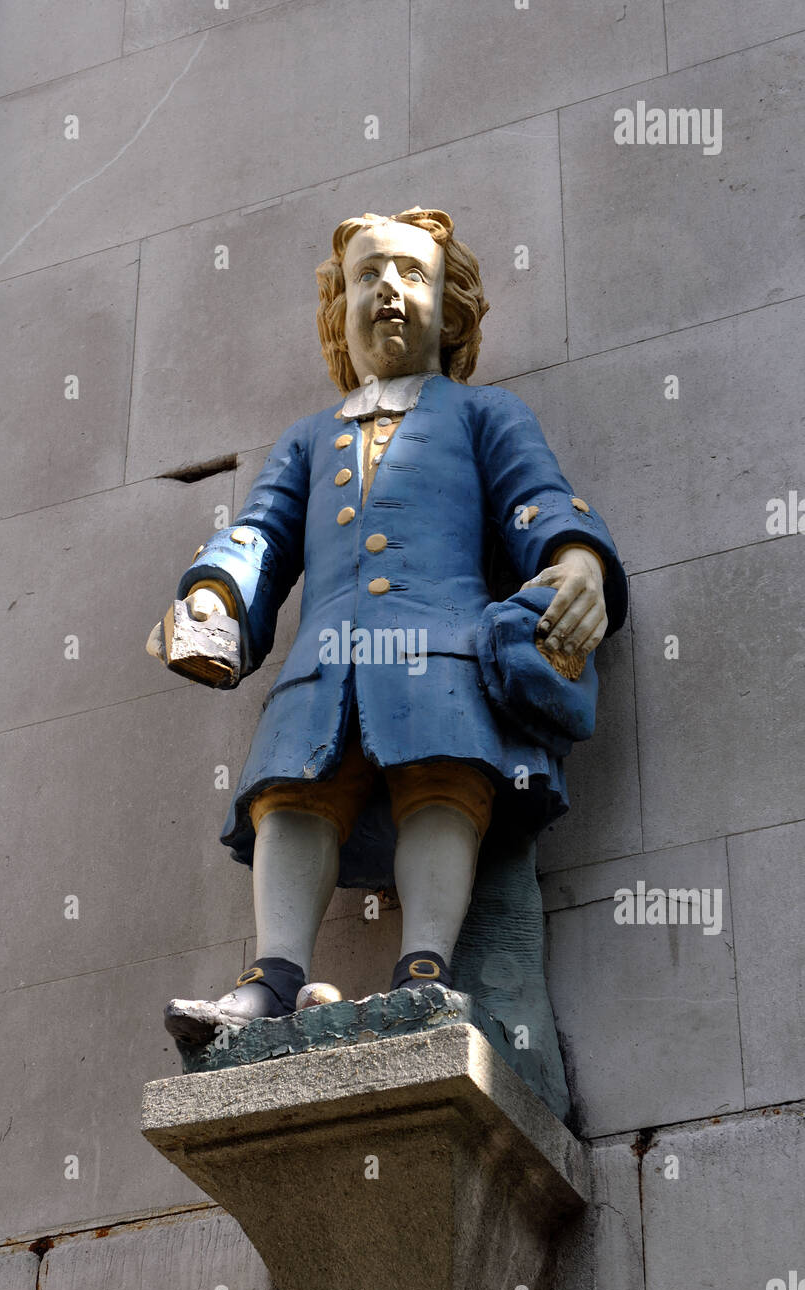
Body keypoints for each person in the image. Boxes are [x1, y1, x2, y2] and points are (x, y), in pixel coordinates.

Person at [150, 207, 627, 1046]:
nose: (389, 291)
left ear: (450, 308)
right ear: (340, 310)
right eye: (368, 275)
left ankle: (425, 972)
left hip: (439, 649)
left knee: (441, 787)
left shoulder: (484, 415)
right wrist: (216, 596)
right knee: (291, 798)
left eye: (412, 272)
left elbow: (539, 502)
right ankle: (271, 978)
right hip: (323, 660)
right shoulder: (306, 439)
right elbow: (261, 533)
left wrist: (577, 560)